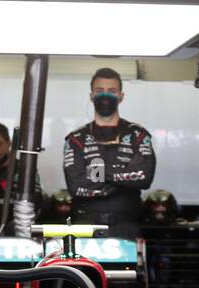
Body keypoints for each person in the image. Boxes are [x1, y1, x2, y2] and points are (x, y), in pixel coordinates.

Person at [62, 68, 156, 238]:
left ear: (121, 96)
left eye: (112, 91)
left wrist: (97, 174)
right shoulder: (76, 138)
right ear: (91, 96)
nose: (105, 96)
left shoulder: (137, 135)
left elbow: (144, 177)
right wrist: (123, 178)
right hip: (85, 225)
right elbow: (75, 185)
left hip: (127, 225)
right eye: (99, 91)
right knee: (86, 266)